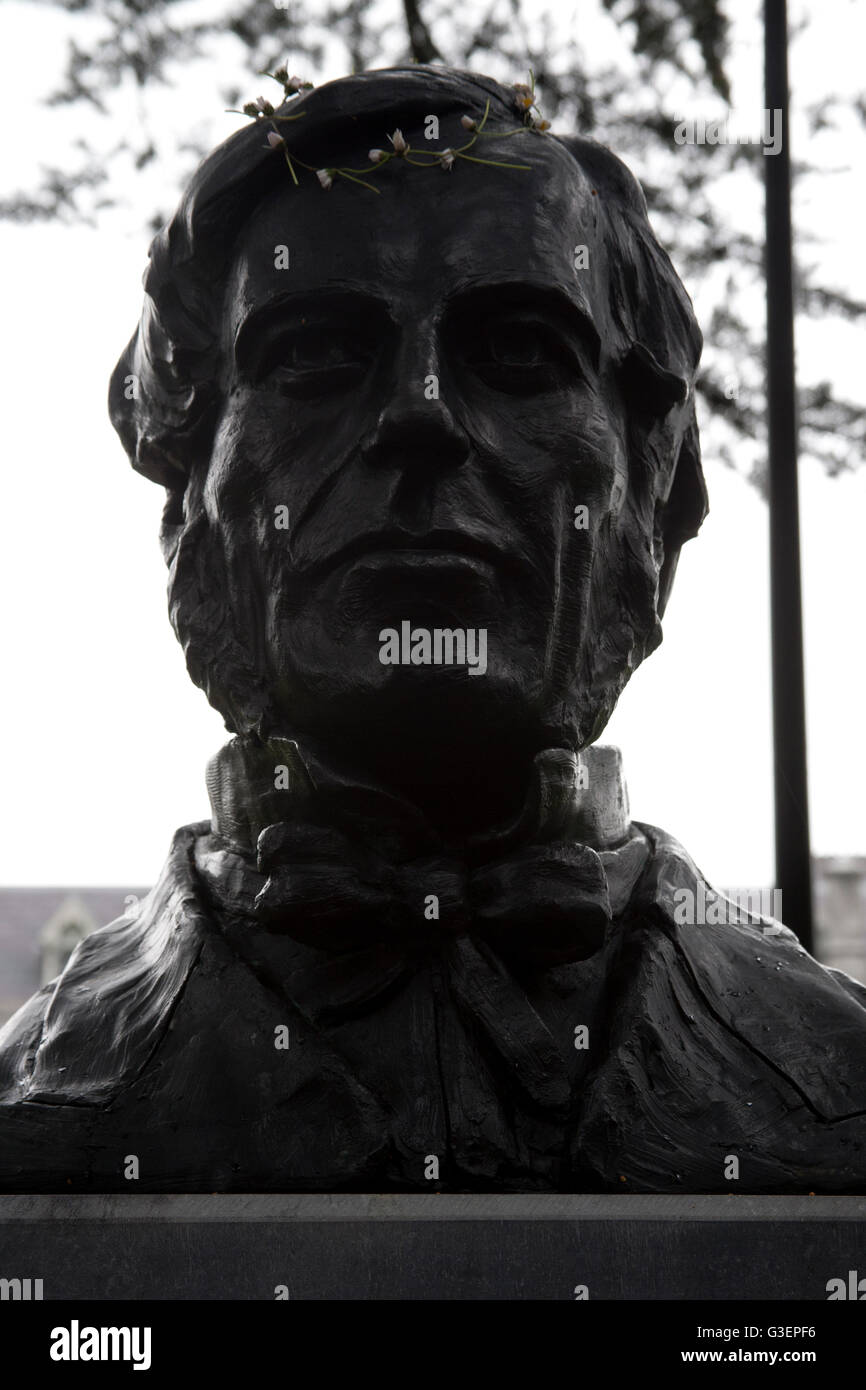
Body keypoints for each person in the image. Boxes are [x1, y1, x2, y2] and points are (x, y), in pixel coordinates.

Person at [1, 66, 864, 1192]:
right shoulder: (34, 1113)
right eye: (314, 356)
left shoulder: (837, 1077)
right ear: (189, 506)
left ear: (655, 494)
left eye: (517, 355)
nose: (420, 413)